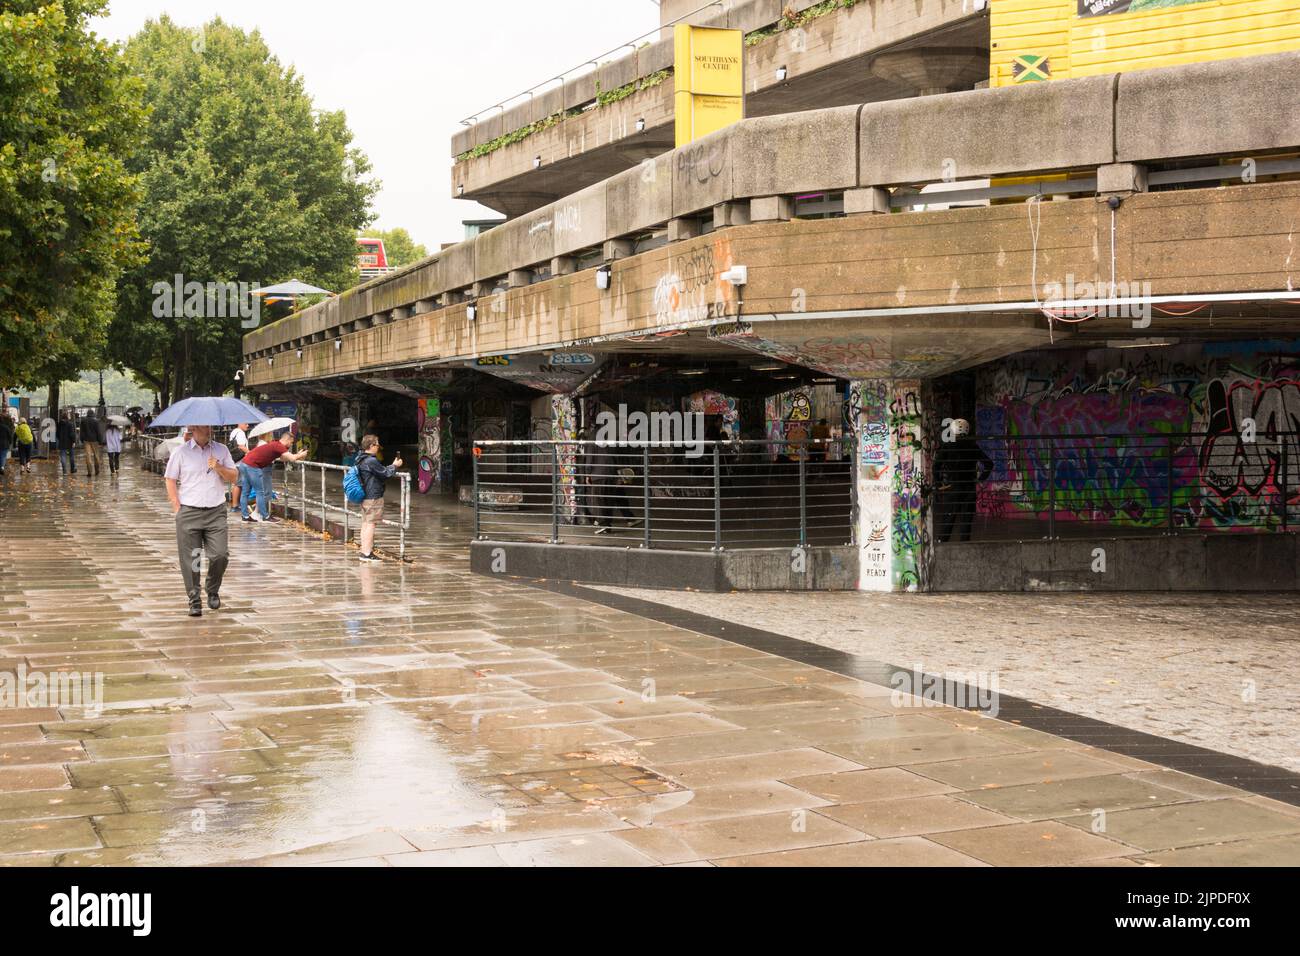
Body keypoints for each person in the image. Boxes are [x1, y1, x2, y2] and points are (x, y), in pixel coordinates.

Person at [164, 424, 239, 616]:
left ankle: (212, 588)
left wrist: (219, 467)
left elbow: (234, 477)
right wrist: (176, 506)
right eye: (204, 426)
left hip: (216, 511)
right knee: (193, 559)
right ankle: (194, 599)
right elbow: (170, 479)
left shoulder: (221, 450)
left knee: (219, 555)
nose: (209, 429)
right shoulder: (180, 453)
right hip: (190, 512)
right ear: (193, 429)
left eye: (210, 425)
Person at [933, 418, 994, 543]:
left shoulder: (948, 446)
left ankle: (942, 544)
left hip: (952, 487)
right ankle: (964, 545)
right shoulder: (973, 446)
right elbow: (989, 464)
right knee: (966, 520)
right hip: (969, 487)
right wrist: (981, 479)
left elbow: (936, 466)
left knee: (948, 518)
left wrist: (939, 483)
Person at [238, 428, 308, 522]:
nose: (291, 444)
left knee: (245, 492)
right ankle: (265, 516)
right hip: (252, 466)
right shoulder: (279, 446)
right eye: (291, 442)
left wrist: (296, 455)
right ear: (286, 440)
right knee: (260, 492)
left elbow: (283, 458)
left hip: (244, 463)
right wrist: (301, 455)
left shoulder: (275, 444)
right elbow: (291, 458)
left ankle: (245, 516)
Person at [353, 435, 403, 561]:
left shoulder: (360, 458)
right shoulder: (371, 461)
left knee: (365, 523)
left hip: (365, 495)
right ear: (371, 446)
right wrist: (395, 465)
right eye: (376, 445)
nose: (378, 447)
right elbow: (385, 473)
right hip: (373, 496)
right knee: (371, 524)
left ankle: (364, 551)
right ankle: (366, 553)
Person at [228, 422, 250, 511]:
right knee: (238, 484)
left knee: (237, 483)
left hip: (235, 461)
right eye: (246, 423)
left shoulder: (234, 432)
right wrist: (250, 452)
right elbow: (241, 446)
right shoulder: (240, 433)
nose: (247, 425)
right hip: (239, 462)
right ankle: (235, 505)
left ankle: (236, 504)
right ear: (239, 423)